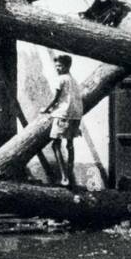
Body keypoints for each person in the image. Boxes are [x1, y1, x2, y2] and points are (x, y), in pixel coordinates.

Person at [41, 54, 83, 189]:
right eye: (56, 66)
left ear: (67, 66)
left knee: (56, 144)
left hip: (63, 115)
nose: (57, 68)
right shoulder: (73, 80)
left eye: (60, 66)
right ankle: (69, 175)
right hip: (75, 115)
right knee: (70, 144)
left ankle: (64, 177)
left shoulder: (61, 79)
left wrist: (46, 109)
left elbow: (56, 98)